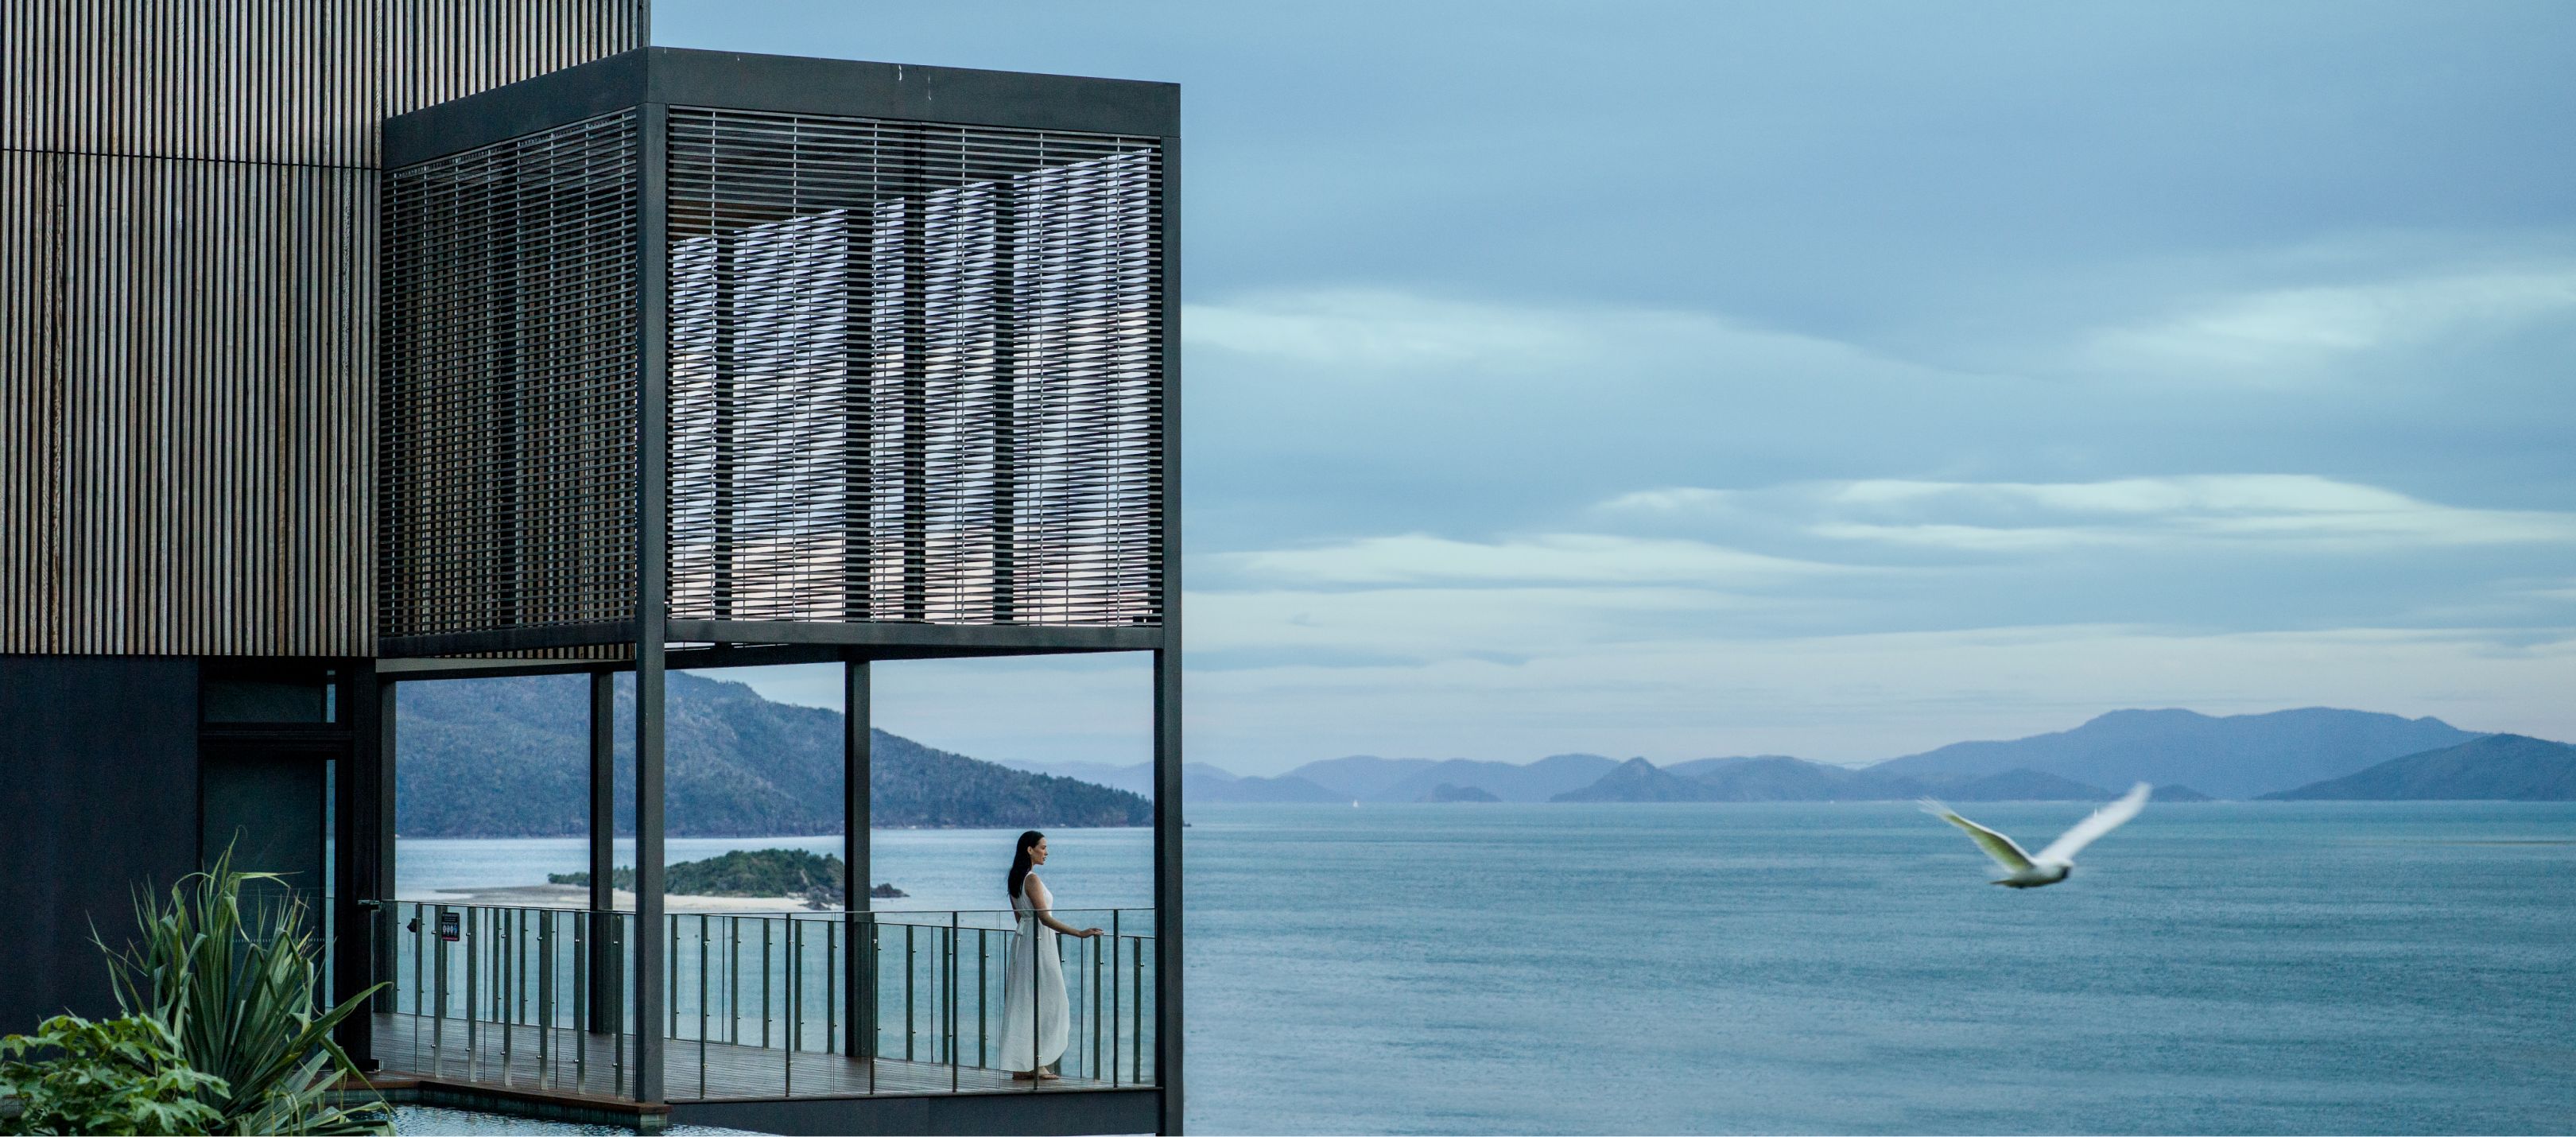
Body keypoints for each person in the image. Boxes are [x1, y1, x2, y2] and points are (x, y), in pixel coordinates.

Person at [997, 830, 1101, 1081]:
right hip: (1039, 942)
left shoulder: (1014, 879)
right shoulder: (1032, 879)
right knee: (1050, 1001)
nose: (1047, 852)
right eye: (1043, 847)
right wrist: (1079, 932)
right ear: (1029, 850)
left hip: (1023, 943)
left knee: (1026, 1001)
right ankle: (1037, 1062)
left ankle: (1022, 1065)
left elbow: (1020, 918)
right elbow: (1044, 917)